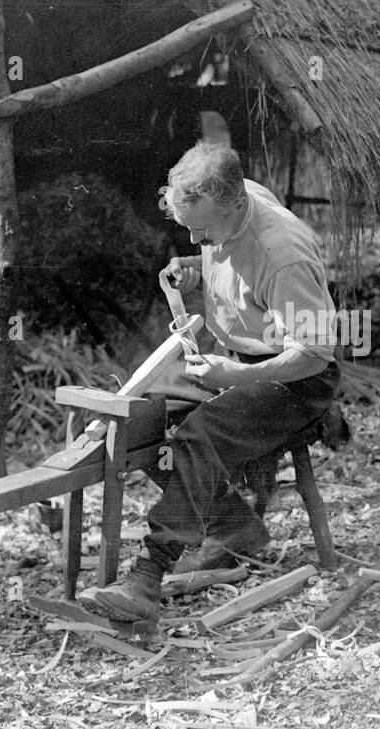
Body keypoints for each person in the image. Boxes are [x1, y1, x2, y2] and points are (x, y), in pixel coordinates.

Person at [76, 141, 341, 622]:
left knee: (197, 435)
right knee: (143, 415)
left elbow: (315, 352)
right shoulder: (235, 198)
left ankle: (148, 575)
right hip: (238, 359)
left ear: (238, 203)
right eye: (189, 231)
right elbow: (231, 260)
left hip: (296, 380)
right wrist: (196, 272)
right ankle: (237, 527)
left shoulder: (284, 256)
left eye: (202, 232)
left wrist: (238, 375)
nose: (196, 241)